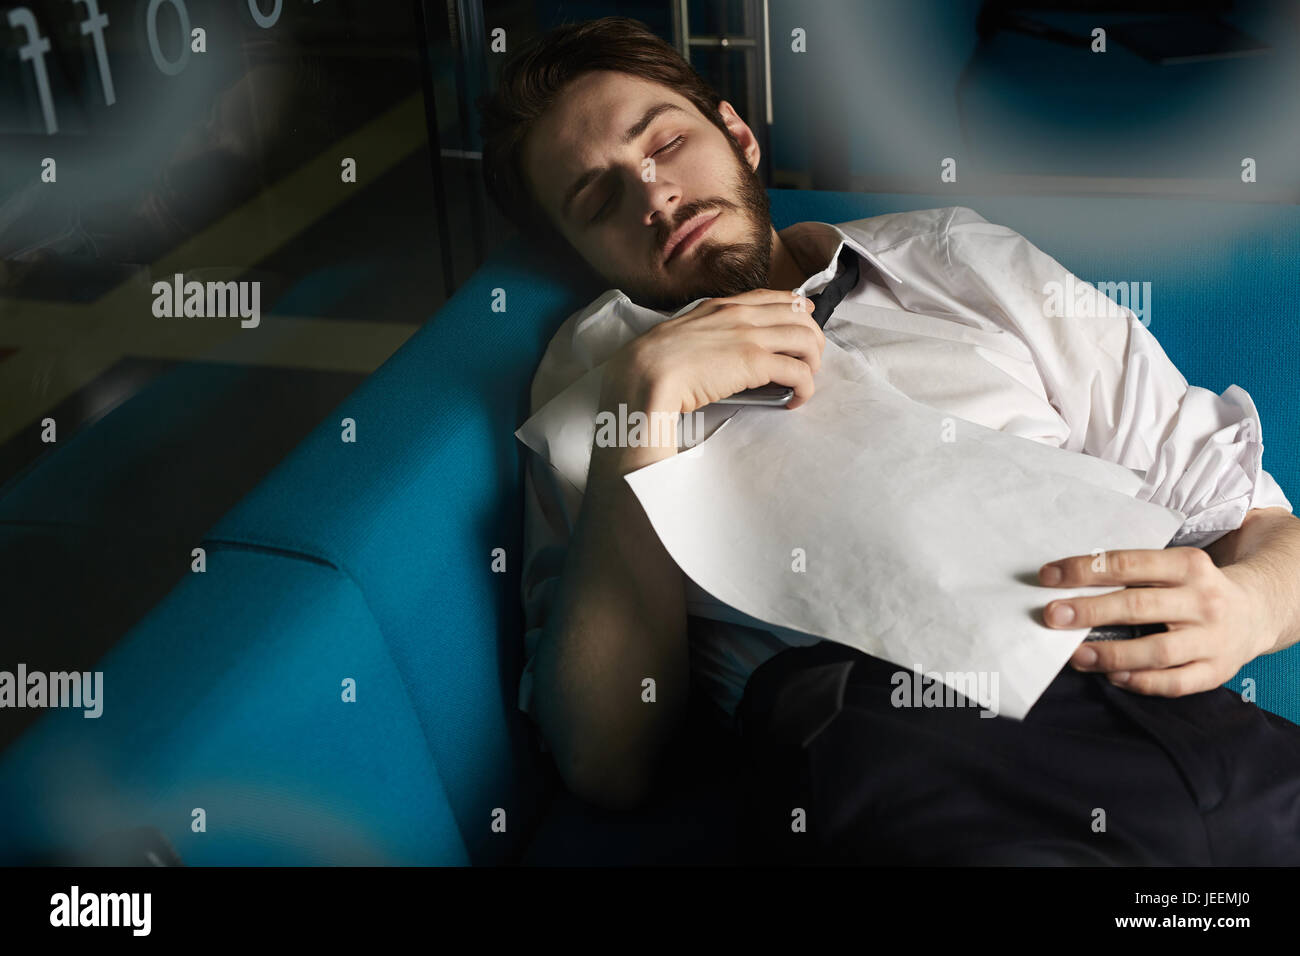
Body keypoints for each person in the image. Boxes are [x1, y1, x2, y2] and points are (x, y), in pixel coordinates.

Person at [477, 16, 1300, 864]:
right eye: (599, 200)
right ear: (580, 254)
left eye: (667, 143)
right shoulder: (591, 382)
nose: (653, 197)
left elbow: (1260, 523)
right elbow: (607, 761)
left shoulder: (957, 257)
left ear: (738, 135)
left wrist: (1251, 607)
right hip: (894, 747)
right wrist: (641, 412)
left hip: (1172, 715)